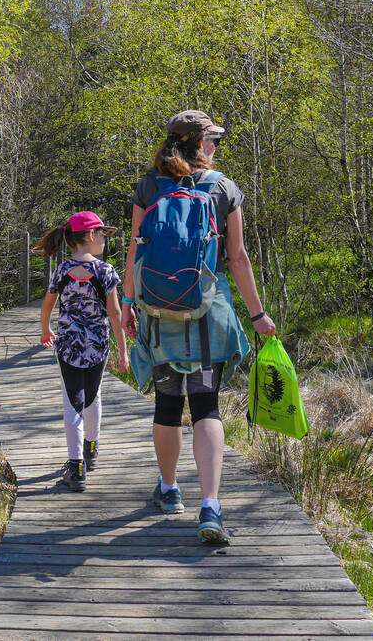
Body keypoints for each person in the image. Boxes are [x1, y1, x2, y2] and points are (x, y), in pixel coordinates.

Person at [123, 109, 278, 543]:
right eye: (211, 140)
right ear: (195, 142)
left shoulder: (149, 186)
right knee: (206, 403)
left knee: (168, 403)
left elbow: (135, 251)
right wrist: (256, 313)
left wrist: (128, 303)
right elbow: (238, 259)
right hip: (208, 311)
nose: (214, 146)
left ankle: (170, 491)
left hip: (158, 310)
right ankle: (210, 506)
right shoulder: (223, 188)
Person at [36, 211, 130, 492]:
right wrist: (123, 350)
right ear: (89, 236)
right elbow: (114, 314)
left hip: (67, 347)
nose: (104, 239)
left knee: (71, 402)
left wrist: (45, 330)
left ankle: (76, 467)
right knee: (93, 396)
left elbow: (47, 305)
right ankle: (91, 451)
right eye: (102, 233)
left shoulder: (62, 270)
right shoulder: (106, 271)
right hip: (97, 347)